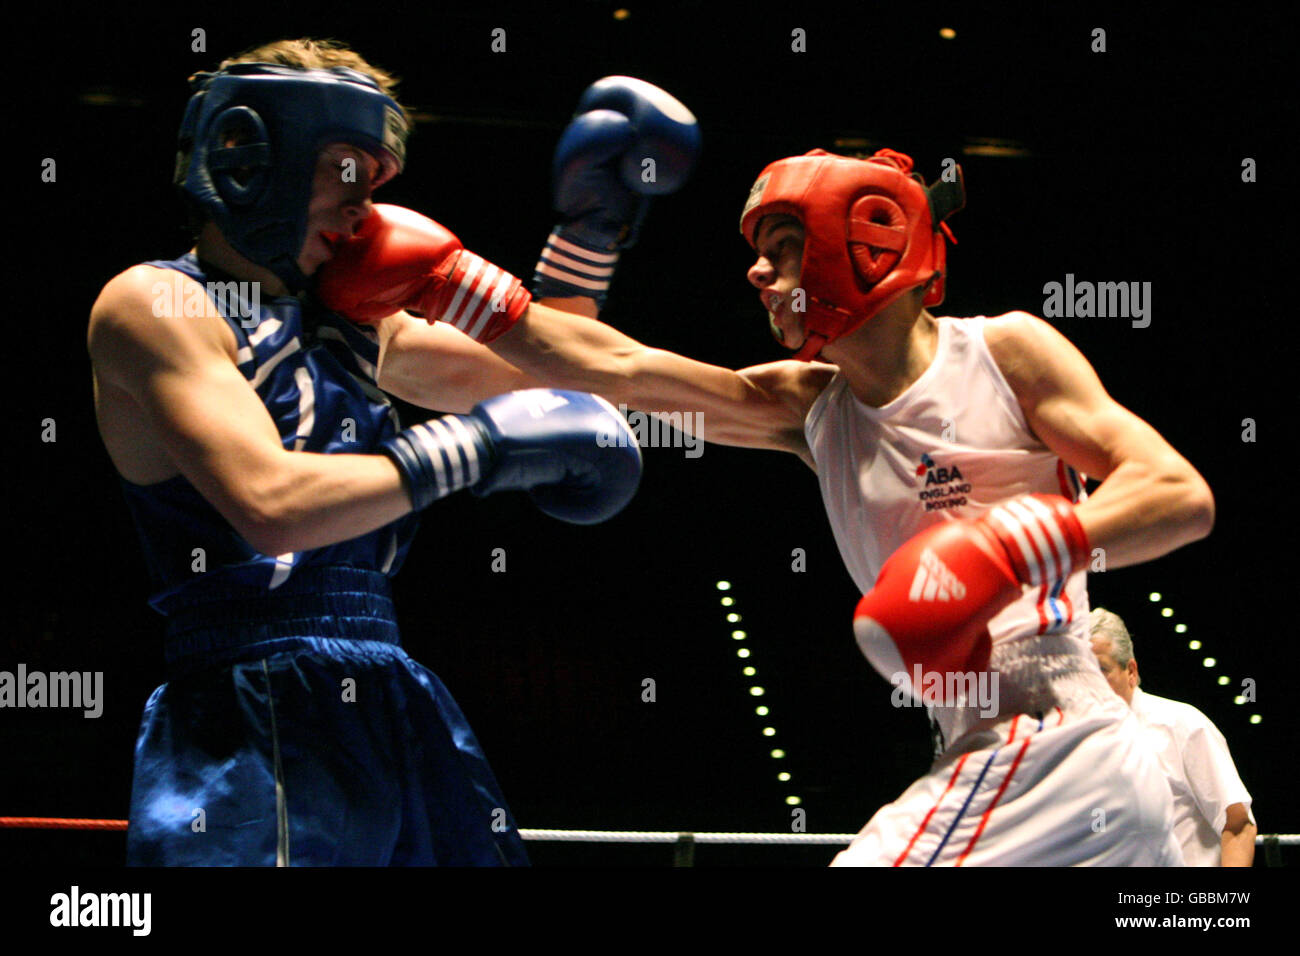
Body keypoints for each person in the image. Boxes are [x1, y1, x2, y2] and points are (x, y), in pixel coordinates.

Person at [321, 115, 1216, 862]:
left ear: (868, 244)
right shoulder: (809, 409)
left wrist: (1012, 548)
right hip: (993, 750)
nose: (758, 272)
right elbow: (621, 367)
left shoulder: (1001, 353)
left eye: (784, 247)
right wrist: (453, 283)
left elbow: (1176, 493)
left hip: (1059, 737)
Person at [87, 39, 644, 866]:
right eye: (346, 173)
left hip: (392, 690)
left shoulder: (360, 328)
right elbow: (270, 505)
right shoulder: (156, 302)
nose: (362, 212)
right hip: (248, 701)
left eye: (374, 185)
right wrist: (471, 450)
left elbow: (553, 371)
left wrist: (590, 233)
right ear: (249, 154)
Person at [1090, 608, 1256, 866]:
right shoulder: (1073, 741)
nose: (1092, 685)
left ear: (1131, 671)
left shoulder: (1182, 725)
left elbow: (1238, 825)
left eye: (1102, 670)